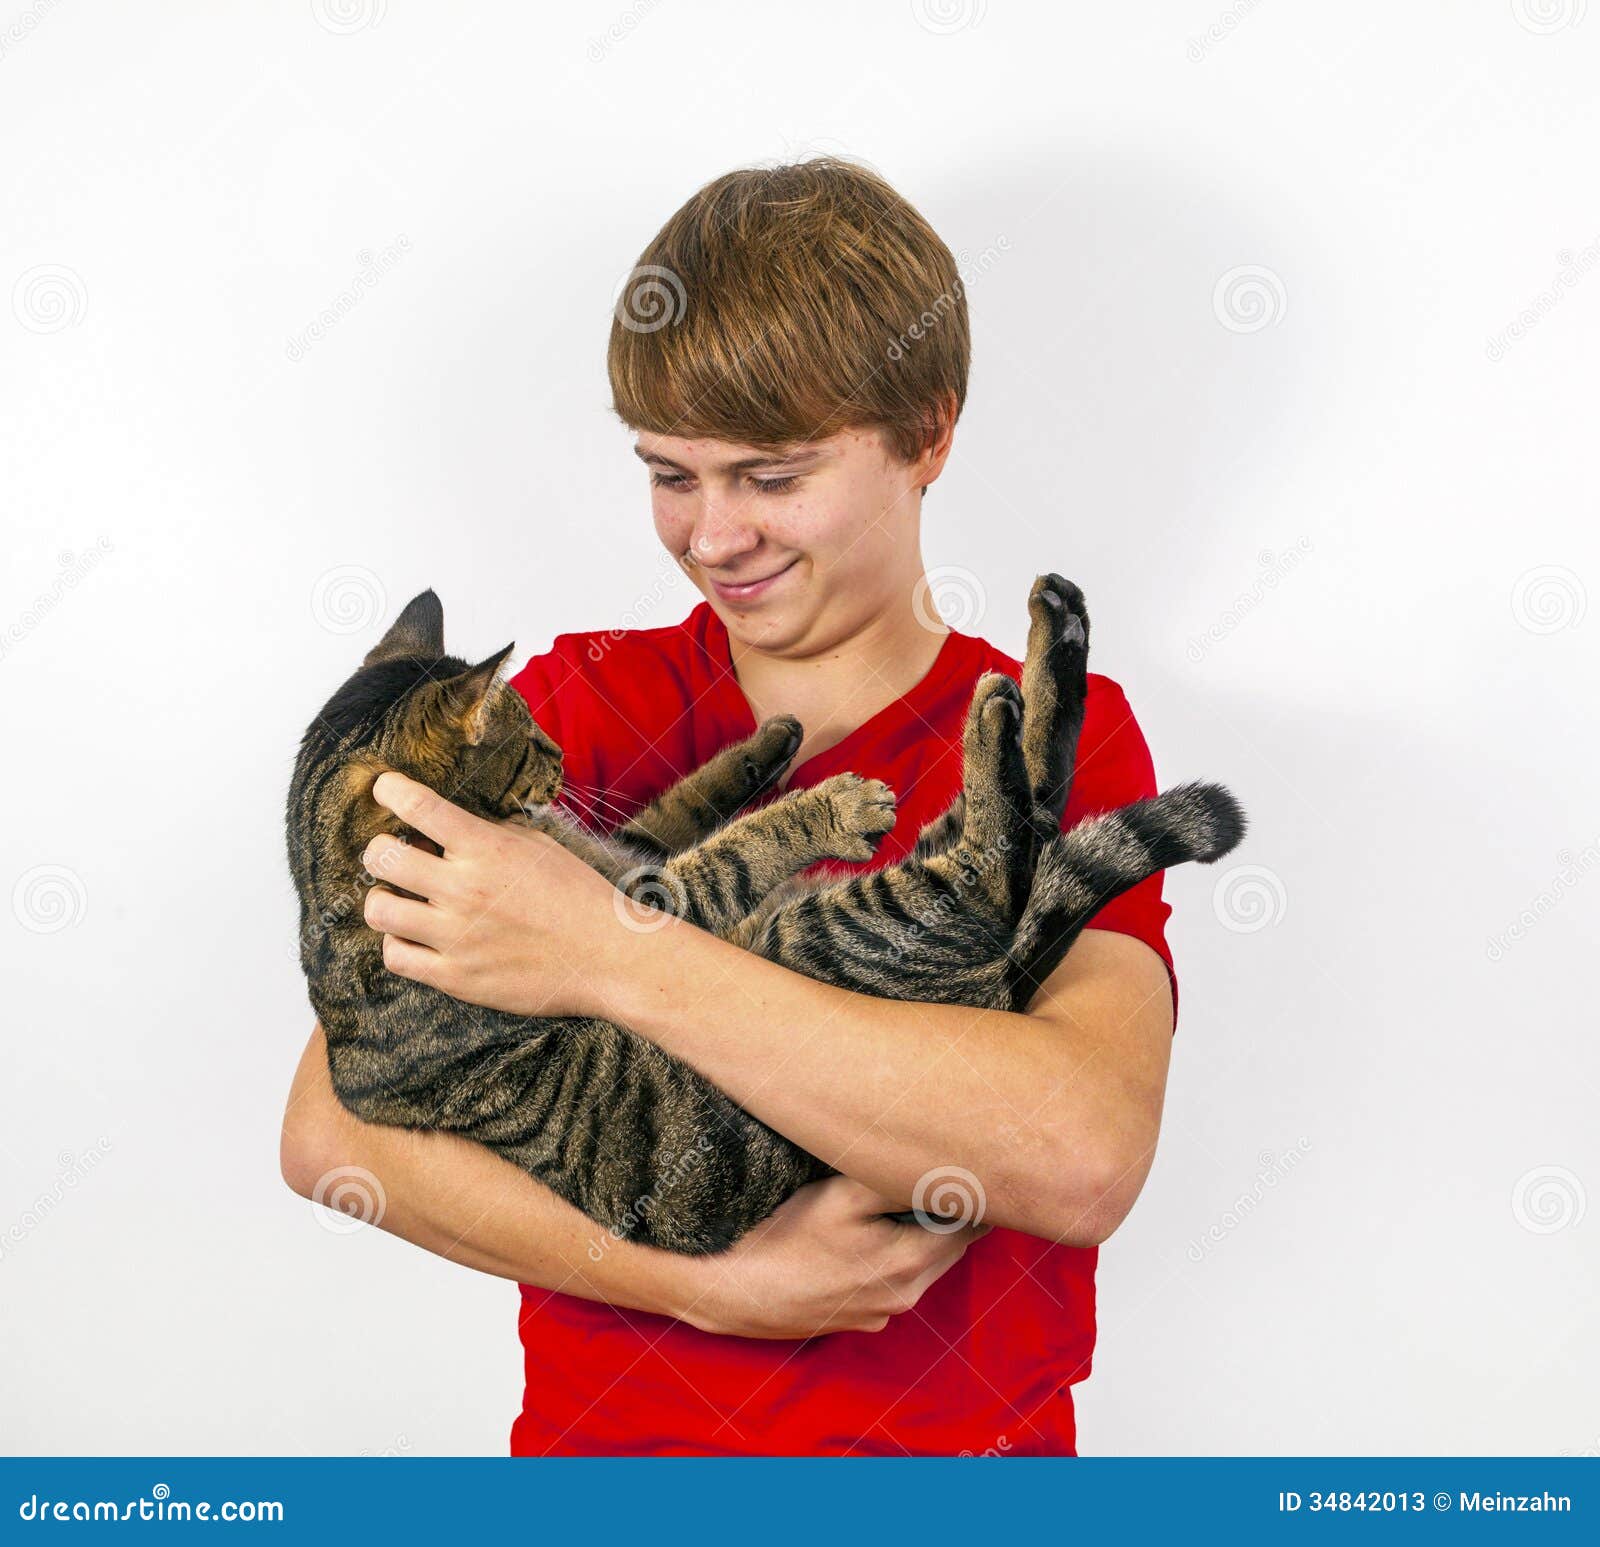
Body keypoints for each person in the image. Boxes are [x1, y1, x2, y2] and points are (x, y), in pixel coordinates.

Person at [280, 158, 1178, 1457]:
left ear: (930, 434)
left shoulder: (1052, 727)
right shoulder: (566, 713)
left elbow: (1080, 1153)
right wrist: (702, 1285)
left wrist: (604, 951)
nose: (712, 537)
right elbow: (332, 1127)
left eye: (771, 477)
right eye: (671, 474)